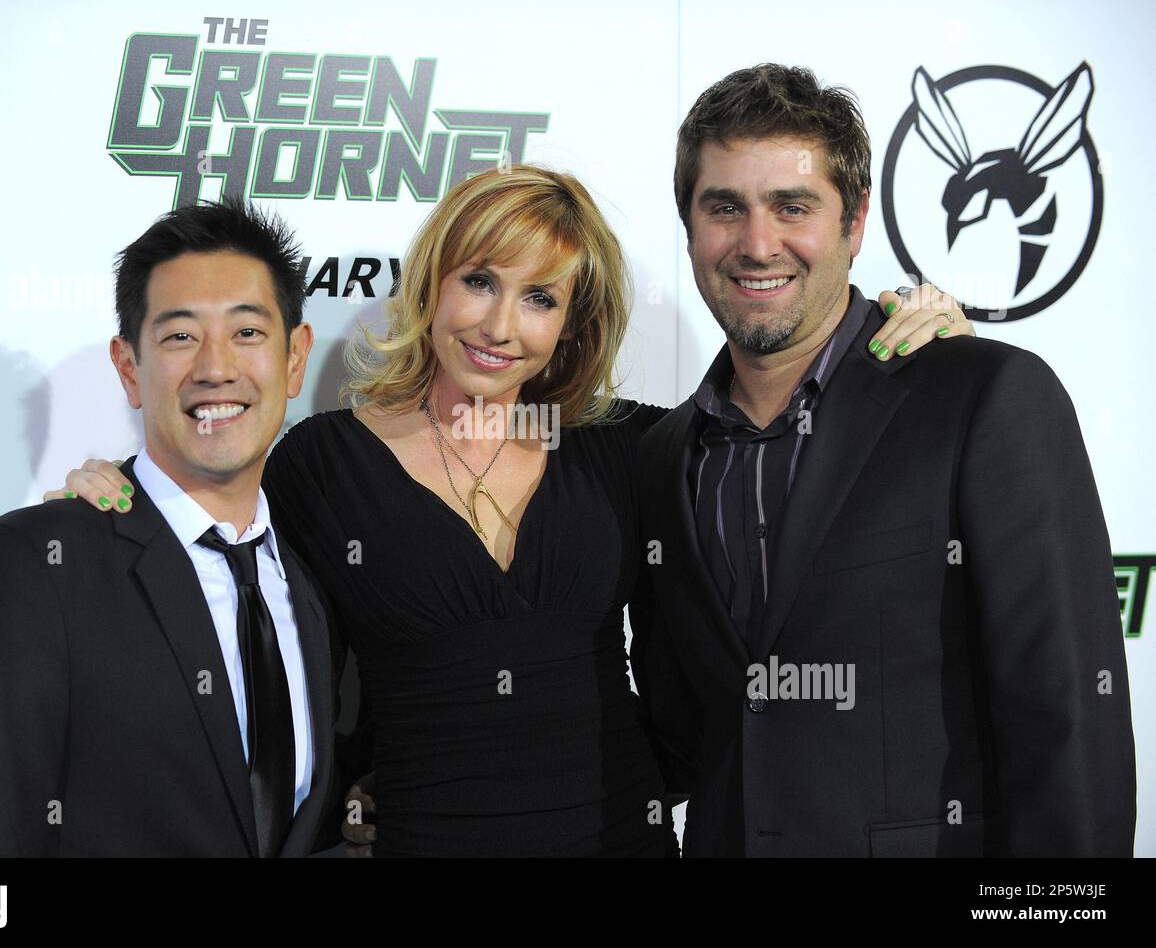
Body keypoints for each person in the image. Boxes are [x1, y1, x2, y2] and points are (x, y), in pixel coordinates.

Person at [55, 166, 971, 856]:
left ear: (570, 323)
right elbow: (214, 551)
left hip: (621, 833)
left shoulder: (627, 447)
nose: (501, 326)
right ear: (434, 283)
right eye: (480, 281)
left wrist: (908, 330)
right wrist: (113, 496)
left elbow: (790, 410)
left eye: (540, 298)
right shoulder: (321, 461)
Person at [631, 63, 1136, 857]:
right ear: (689, 222)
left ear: (855, 220)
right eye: (725, 207)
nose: (758, 244)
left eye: (792, 207)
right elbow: (676, 735)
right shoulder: (661, 457)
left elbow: (1063, 712)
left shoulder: (982, 396)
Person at [0, 199, 340, 857]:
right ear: (128, 366)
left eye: (248, 332)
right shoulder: (28, 565)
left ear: (294, 358)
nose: (216, 367)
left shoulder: (315, 585)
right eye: (179, 336)